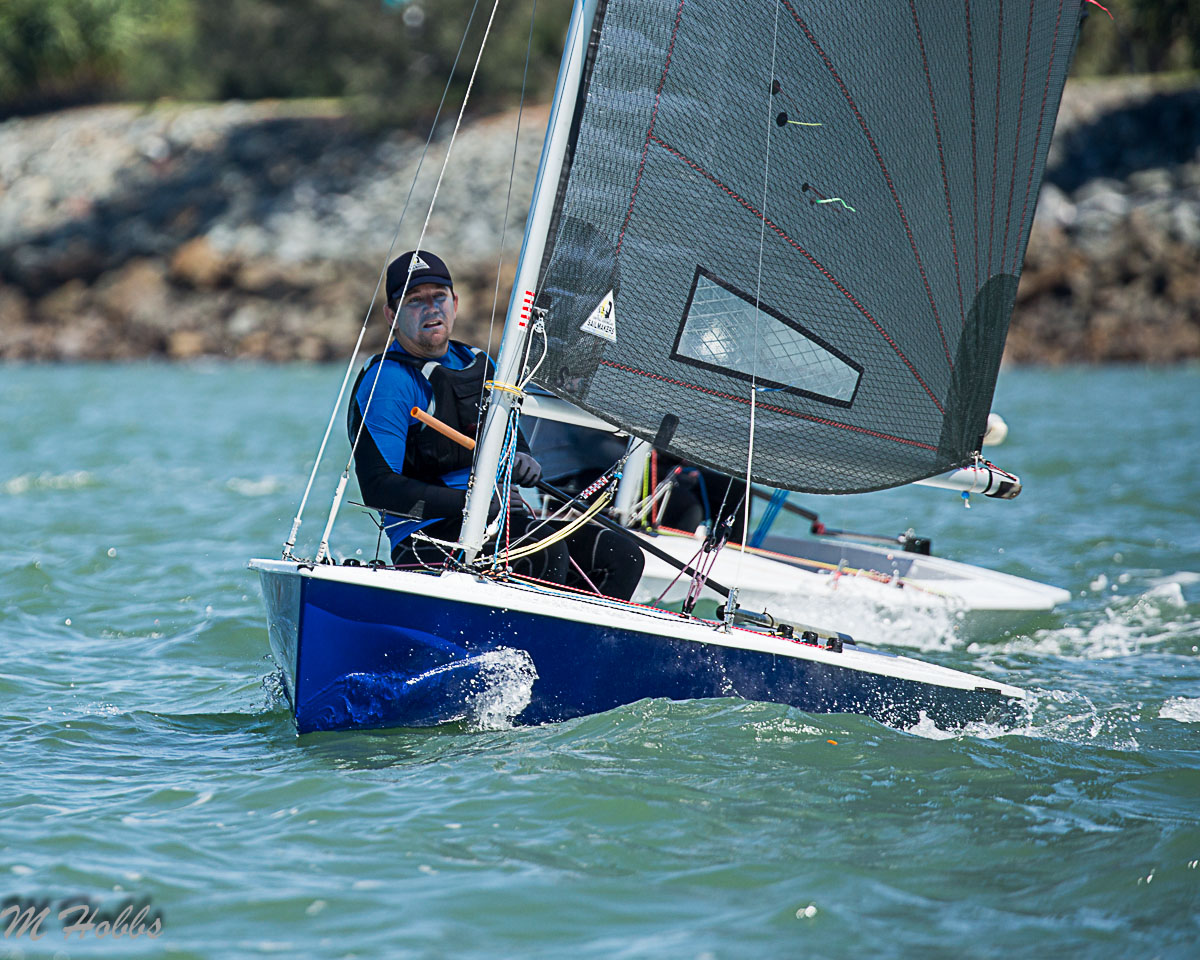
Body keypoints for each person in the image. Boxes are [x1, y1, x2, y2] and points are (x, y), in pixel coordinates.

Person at [347, 250, 644, 600]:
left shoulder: (479, 364)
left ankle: (576, 649)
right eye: (415, 301)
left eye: (439, 297)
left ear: (455, 303)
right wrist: (469, 503)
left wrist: (522, 456)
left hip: (497, 524)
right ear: (392, 316)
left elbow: (512, 438)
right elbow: (379, 490)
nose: (431, 307)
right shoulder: (389, 381)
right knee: (544, 551)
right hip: (427, 539)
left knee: (622, 555)